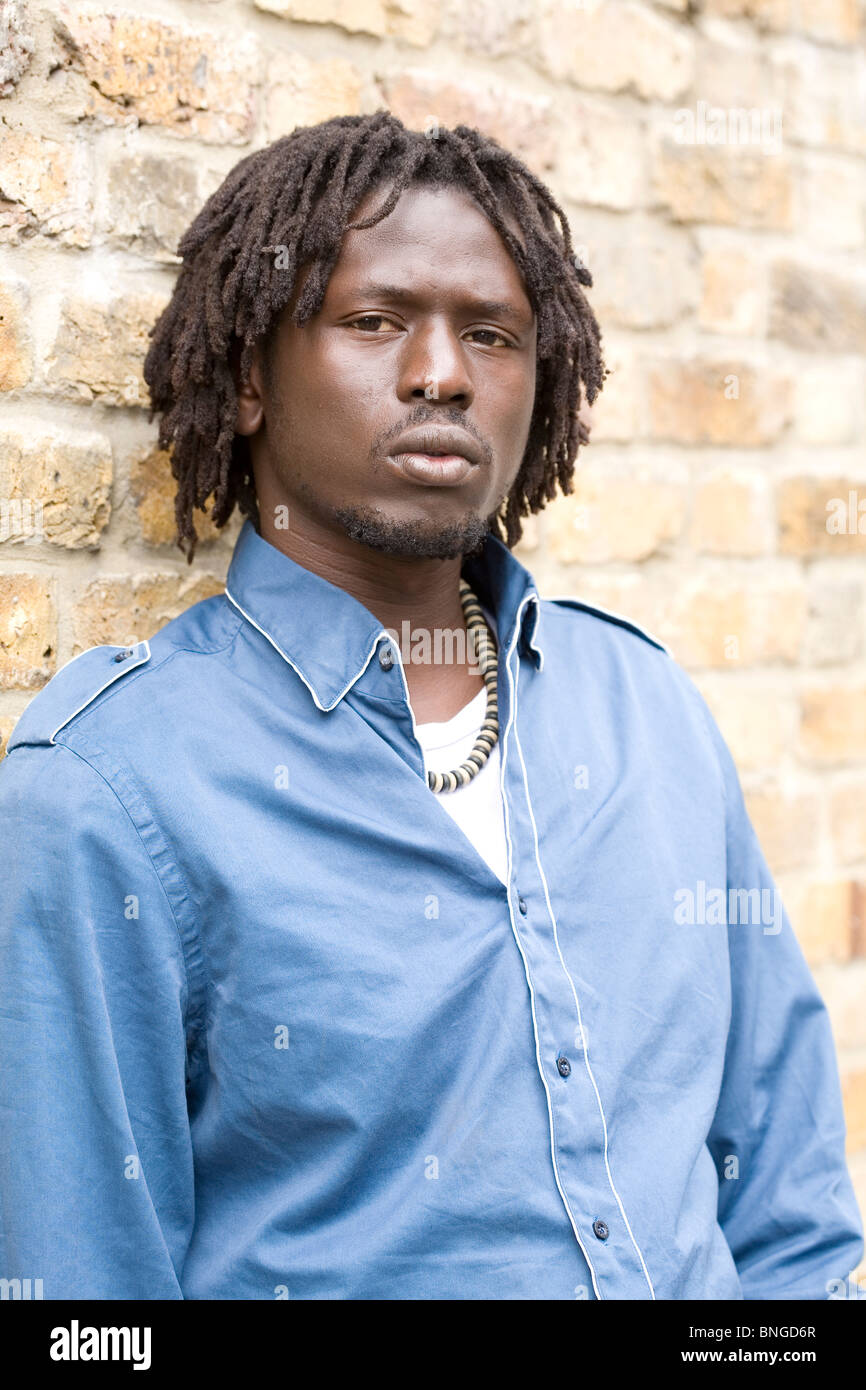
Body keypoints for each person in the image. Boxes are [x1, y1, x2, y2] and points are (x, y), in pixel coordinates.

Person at [0, 111, 861, 1301]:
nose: (442, 373)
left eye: (492, 335)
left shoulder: (647, 712)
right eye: (373, 321)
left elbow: (792, 1216)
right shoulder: (105, 791)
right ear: (249, 379)